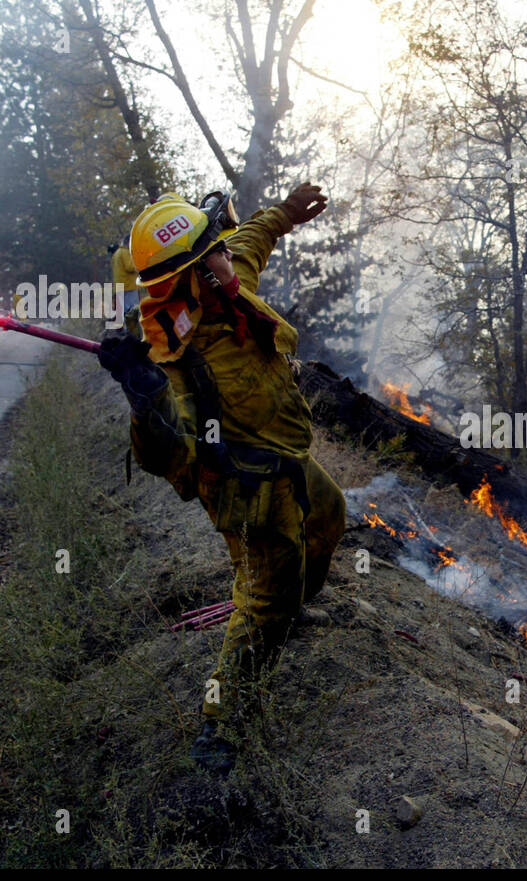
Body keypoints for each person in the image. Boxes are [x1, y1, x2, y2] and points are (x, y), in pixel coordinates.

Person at [98, 183, 345, 775]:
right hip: (247, 488)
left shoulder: (231, 293)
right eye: (216, 252)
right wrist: (144, 398)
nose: (228, 255)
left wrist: (285, 212)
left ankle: (294, 605)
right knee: (261, 603)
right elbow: (165, 453)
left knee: (329, 515)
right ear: (192, 275)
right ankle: (220, 726)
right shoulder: (175, 362)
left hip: (288, 459)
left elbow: (251, 240)